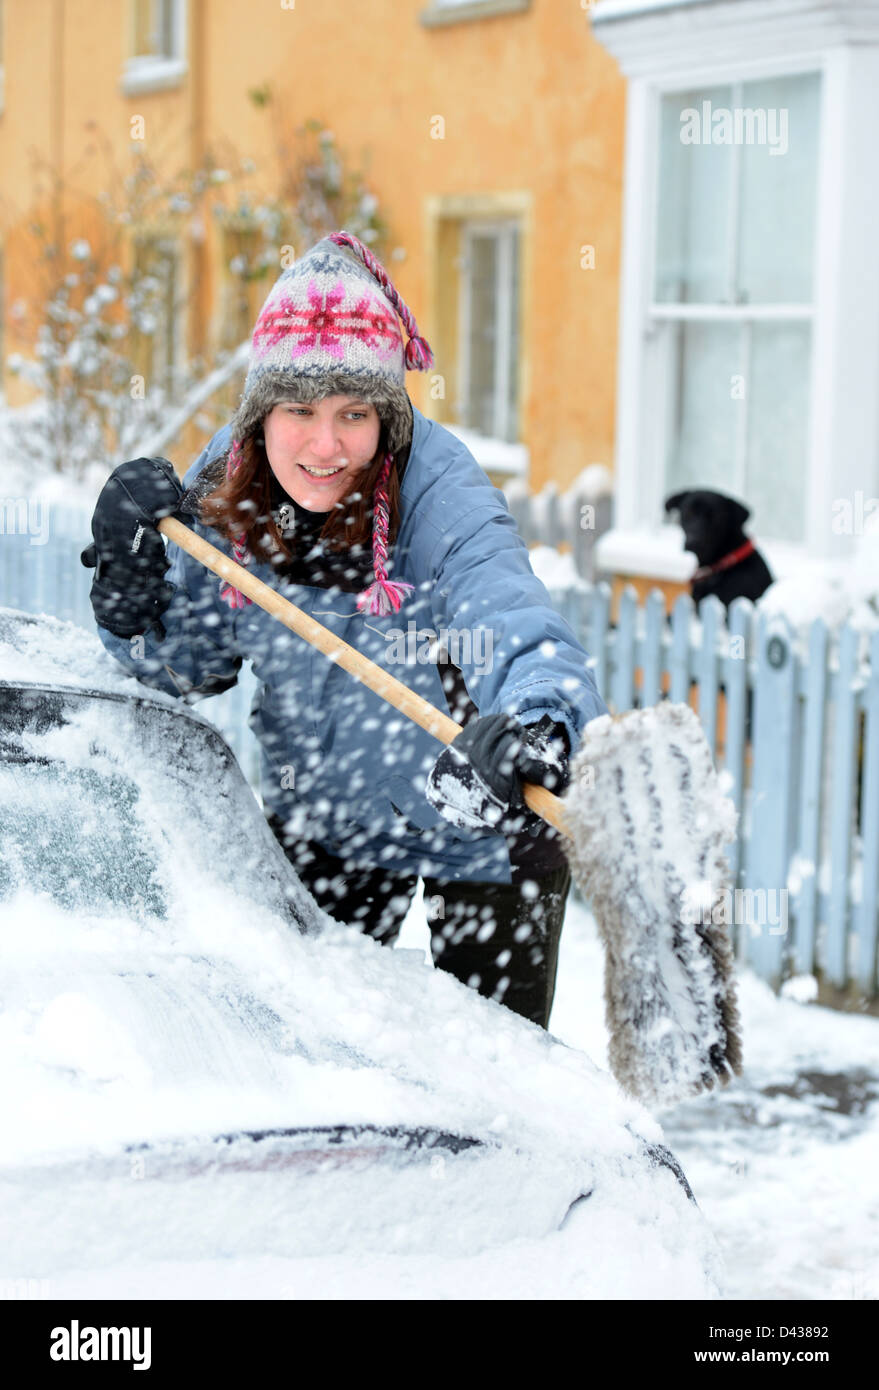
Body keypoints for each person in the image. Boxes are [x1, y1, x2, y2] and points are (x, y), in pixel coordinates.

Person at [83, 230, 608, 1030]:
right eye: (298, 410)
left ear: (387, 418)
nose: (325, 446)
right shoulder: (232, 488)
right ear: (260, 416)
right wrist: (128, 590)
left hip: (484, 816)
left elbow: (512, 614)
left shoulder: (439, 489)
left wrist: (537, 723)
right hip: (326, 814)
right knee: (303, 1048)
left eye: (353, 413)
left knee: (490, 1084)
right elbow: (183, 661)